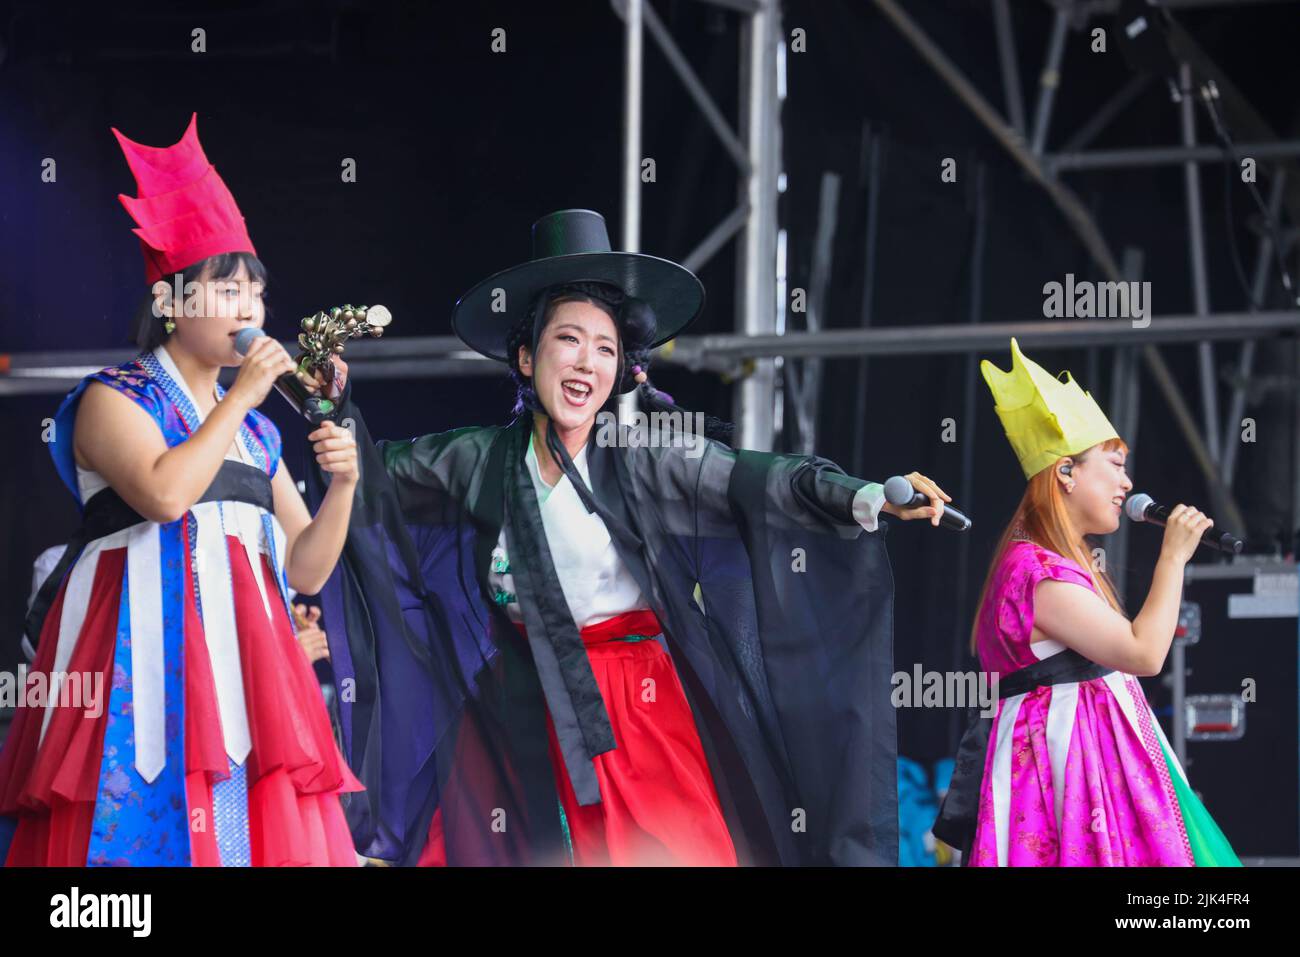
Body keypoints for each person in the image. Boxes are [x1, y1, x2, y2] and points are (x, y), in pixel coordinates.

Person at [309, 208, 954, 866]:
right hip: (515, 712)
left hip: (634, 706)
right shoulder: (474, 459)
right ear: (527, 356)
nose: (586, 361)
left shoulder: (644, 457)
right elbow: (370, 479)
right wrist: (332, 404)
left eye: (605, 347)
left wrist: (866, 495)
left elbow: (757, 480)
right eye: (568, 339)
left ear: (621, 369)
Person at [0, 114, 363, 867]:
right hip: (139, 675)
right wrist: (245, 395)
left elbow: (304, 567)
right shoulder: (115, 398)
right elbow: (165, 496)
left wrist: (343, 486)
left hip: (245, 674)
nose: (249, 307)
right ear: (171, 302)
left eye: (256, 290)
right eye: (227, 287)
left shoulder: (257, 433)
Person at [935, 338, 1240, 866]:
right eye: (1115, 464)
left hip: (1092, 781)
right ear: (1066, 472)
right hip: (1065, 787)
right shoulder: (1037, 573)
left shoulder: (1053, 565)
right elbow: (1143, 653)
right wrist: (1172, 558)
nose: (1128, 482)